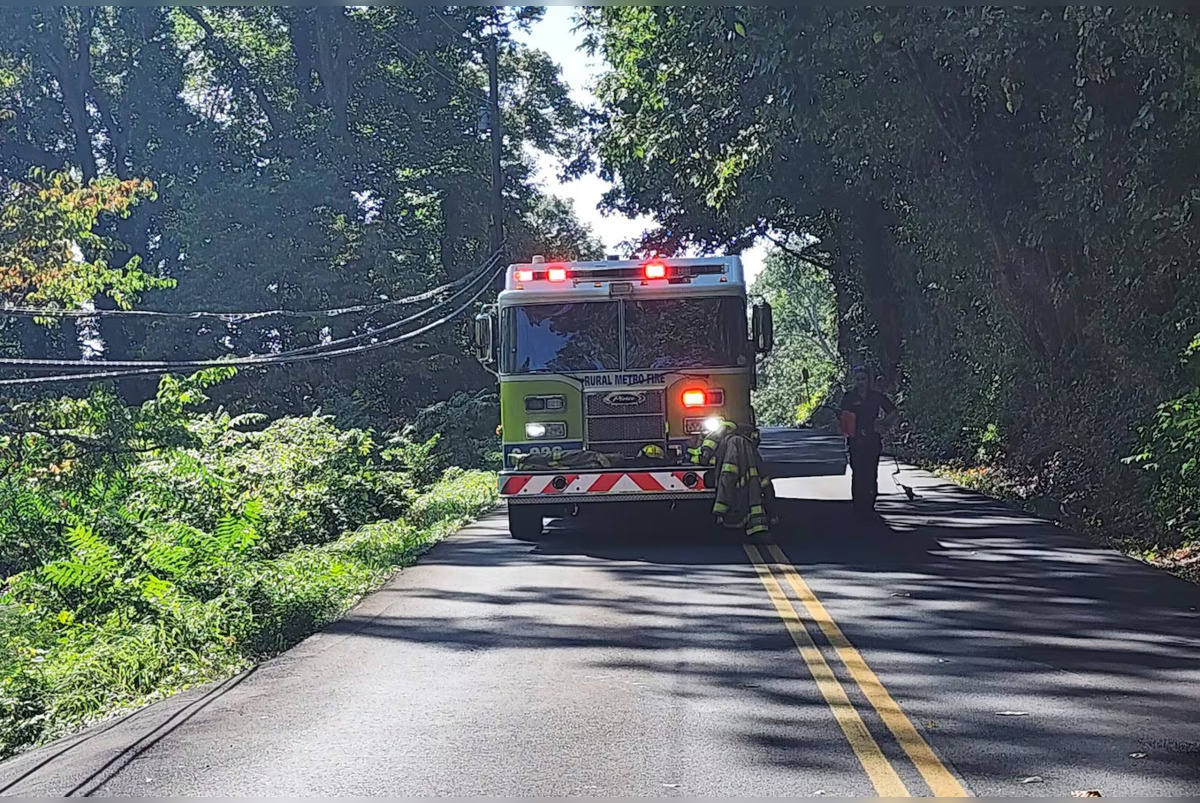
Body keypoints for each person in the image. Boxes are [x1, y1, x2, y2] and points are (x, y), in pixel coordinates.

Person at [838, 365, 898, 512]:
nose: (861, 382)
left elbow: (893, 411)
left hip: (872, 440)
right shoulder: (849, 397)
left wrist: (884, 423)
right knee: (858, 474)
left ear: (868, 380)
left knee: (871, 474)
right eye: (858, 379)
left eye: (863, 379)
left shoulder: (876, 396)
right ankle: (858, 506)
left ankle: (870, 506)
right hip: (855, 441)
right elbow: (841, 416)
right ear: (854, 380)